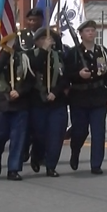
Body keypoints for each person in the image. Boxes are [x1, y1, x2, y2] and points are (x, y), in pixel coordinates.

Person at [0, 10, 44, 179]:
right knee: (1, 135)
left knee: (19, 137)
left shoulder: (24, 59)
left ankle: (14, 168)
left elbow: (30, 79)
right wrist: (6, 51)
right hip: (3, 103)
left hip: (20, 102)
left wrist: (19, 91)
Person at [65, 20, 107, 174]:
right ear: (80, 34)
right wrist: (78, 75)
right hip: (79, 97)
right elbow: (66, 75)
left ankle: (96, 164)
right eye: (87, 31)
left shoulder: (102, 51)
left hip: (98, 97)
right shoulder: (73, 53)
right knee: (80, 131)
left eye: (93, 30)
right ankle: (75, 151)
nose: (91, 33)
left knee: (98, 132)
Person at [27, 21, 68, 176]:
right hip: (38, 101)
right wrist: (44, 50)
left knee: (56, 135)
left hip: (56, 102)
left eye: (49, 39)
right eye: (43, 39)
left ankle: (51, 166)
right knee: (40, 134)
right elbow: (34, 68)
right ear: (37, 41)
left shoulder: (59, 57)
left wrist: (55, 92)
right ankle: (36, 156)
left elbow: (65, 78)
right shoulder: (30, 55)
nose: (48, 41)